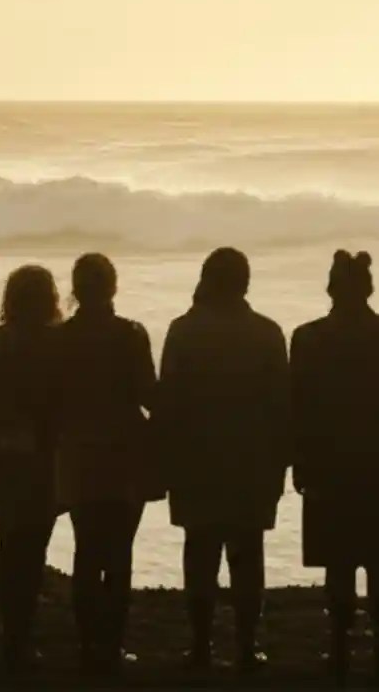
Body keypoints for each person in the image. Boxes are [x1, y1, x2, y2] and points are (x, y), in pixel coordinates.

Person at [288, 250, 379, 686]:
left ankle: (340, 648)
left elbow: (296, 409)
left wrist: (298, 463)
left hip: (330, 467)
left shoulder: (307, 338)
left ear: (331, 288)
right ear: (368, 288)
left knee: (338, 564)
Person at [155, 248, 288, 673]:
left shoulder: (183, 330)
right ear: (245, 284)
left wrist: (165, 462)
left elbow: (168, 404)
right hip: (252, 462)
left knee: (200, 552)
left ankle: (200, 646)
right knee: (247, 555)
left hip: (196, 461)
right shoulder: (268, 333)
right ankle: (246, 647)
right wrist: (281, 464)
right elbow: (281, 407)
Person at [54, 253, 159, 675]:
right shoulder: (131, 335)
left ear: (76, 290)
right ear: (113, 288)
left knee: (87, 549)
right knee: (118, 554)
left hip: (79, 453)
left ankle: (86, 645)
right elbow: (149, 394)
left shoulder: (60, 339)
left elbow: (54, 400)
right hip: (124, 453)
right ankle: (111, 646)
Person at [0, 266, 64, 672]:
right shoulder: (56, 342)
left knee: (11, 547)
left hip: (4, 450)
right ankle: (21, 637)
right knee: (33, 549)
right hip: (46, 453)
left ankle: (12, 637)